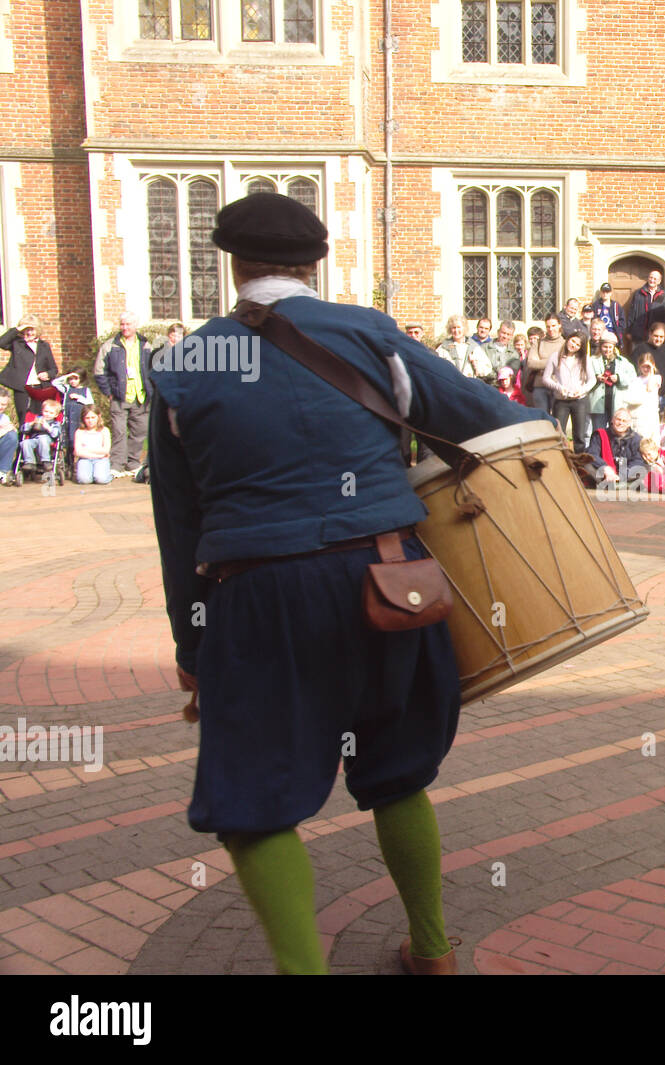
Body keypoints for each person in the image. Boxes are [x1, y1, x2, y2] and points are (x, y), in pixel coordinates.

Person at [148, 192, 549, 976]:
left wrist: (192, 645)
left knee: (254, 805)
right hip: (391, 582)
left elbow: (178, 529)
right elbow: (488, 418)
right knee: (396, 771)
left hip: (258, 598)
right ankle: (432, 948)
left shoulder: (187, 362)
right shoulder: (369, 333)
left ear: (232, 265)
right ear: (315, 263)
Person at [93, 312, 154, 476]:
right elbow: (99, 372)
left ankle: (132, 462)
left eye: (128, 324)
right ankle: (117, 464)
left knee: (140, 431)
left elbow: (153, 368)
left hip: (140, 396)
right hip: (119, 396)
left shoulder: (146, 345)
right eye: (122, 324)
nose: (125, 327)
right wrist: (108, 392)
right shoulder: (110, 345)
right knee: (119, 431)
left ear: (135, 325)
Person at [0, 313, 57, 423]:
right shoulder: (17, 343)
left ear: (37, 330)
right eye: (27, 329)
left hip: (40, 387)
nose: (30, 332)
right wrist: (17, 329)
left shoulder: (44, 346)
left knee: (40, 418)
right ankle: (22, 439)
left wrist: (48, 374)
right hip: (22, 388)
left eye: (32, 329)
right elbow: (2, 342)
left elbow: (54, 369)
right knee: (23, 418)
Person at [543, 330, 594, 449]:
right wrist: (559, 388)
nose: (573, 345)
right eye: (573, 341)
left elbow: (592, 380)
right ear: (568, 339)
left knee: (579, 436)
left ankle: (579, 462)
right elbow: (546, 378)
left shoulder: (585, 358)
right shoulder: (555, 356)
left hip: (579, 400)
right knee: (559, 433)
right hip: (561, 400)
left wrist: (582, 390)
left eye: (578, 345)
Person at [583, 407, 645, 484]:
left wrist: (622, 475)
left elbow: (637, 460)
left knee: (643, 469)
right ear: (612, 420)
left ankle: (618, 482)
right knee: (587, 466)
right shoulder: (600, 435)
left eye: (624, 421)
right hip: (604, 473)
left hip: (625, 473)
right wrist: (605, 468)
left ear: (629, 424)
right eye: (618, 419)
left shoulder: (635, 438)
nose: (621, 423)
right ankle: (607, 482)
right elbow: (592, 454)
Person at [525, 314, 566, 412]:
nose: (551, 329)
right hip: (540, 386)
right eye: (548, 326)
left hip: (558, 386)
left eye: (553, 326)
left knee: (556, 420)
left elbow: (565, 364)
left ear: (559, 325)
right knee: (542, 420)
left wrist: (541, 362)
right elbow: (531, 363)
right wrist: (553, 361)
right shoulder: (538, 343)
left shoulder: (565, 344)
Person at [74, 407, 113, 484]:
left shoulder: (104, 430)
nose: (90, 420)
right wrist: (98, 453)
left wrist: (86, 448)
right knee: (84, 480)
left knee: (101, 479)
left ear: (98, 417)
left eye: (93, 417)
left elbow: (105, 450)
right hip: (85, 459)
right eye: (87, 418)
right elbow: (78, 452)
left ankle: (107, 475)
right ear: (83, 419)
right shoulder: (79, 431)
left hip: (101, 460)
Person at [627, 269, 665, 344]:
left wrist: (663, 332)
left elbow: (664, 317)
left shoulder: (662, 295)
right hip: (639, 333)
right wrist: (629, 331)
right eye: (651, 277)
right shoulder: (638, 293)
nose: (652, 280)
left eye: (655, 279)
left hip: (655, 336)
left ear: (659, 281)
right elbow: (632, 313)